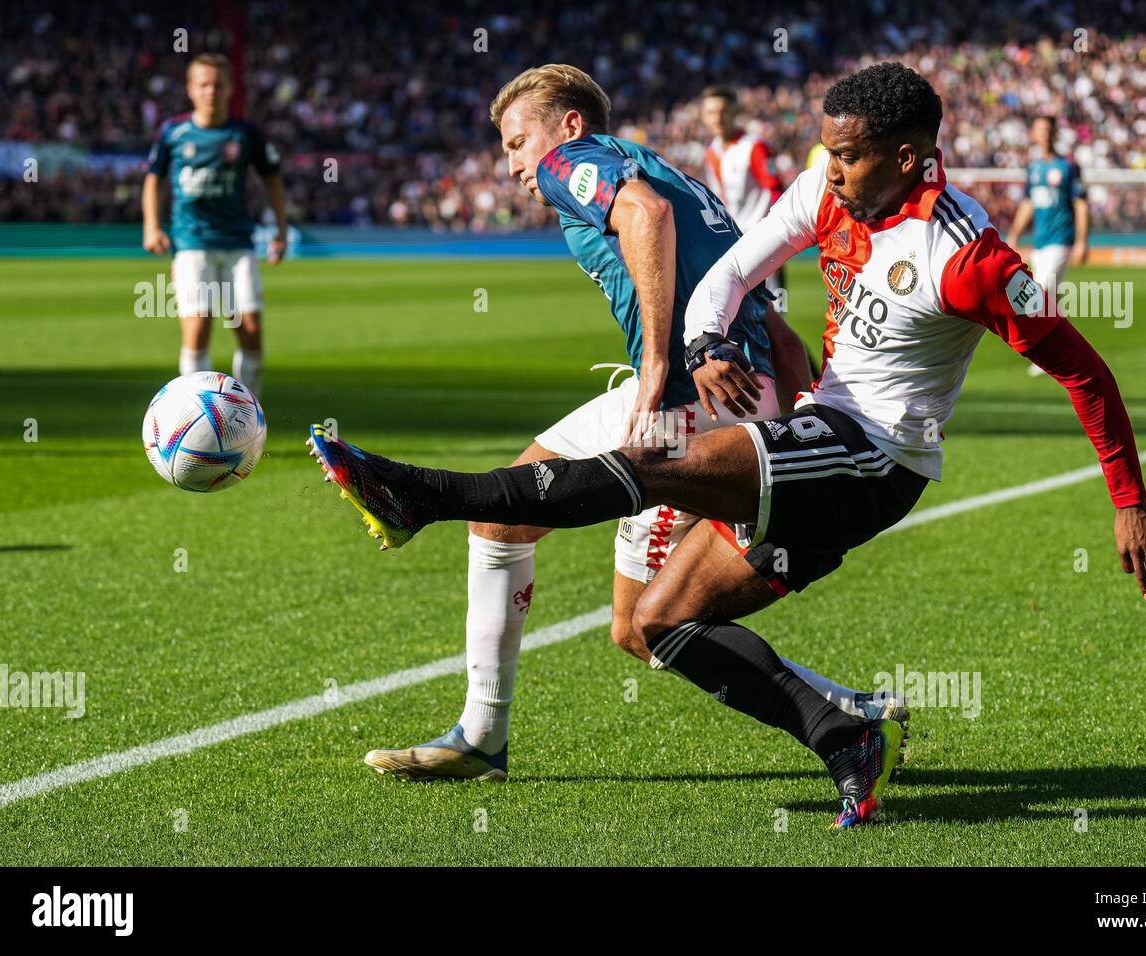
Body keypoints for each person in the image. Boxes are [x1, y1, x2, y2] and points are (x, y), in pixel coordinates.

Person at [306, 63, 1146, 829]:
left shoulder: (970, 257)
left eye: (851, 156)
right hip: (813, 430)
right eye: (826, 151)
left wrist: (1129, 501)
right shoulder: (826, 192)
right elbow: (732, 276)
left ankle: (424, 494)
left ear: (907, 157)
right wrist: (708, 344)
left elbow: (1087, 373)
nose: (830, 170)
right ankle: (849, 736)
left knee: (648, 468)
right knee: (659, 626)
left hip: (875, 456)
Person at [344, 64, 904, 787]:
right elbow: (781, 335)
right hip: (740, 397)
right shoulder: (686, 182)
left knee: (594, 586)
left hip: (687, 405)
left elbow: (643, 216)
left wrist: (655, 372)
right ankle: (856, 710)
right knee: (636, 626)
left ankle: (481, 730)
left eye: (518, 141)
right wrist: (801, 431)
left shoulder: (574, 164)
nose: (513, 164)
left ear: (570, 126)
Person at [142, 52, 287, 399]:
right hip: (192, 242)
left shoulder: (245, 133)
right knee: (199, 324)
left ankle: (248, 416)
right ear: (191, 89)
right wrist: (152, 225)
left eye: (218, 85)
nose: (211, 91)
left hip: (238, 242)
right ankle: (191, 409)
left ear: (229, 89)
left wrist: (281, 229)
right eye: (204, 84)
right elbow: (154, 179)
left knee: (249, 329)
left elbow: (271, 179)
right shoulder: (173, 132)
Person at [1006, 115, 1089, 376]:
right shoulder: (1033, 168)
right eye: (1039, 129)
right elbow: (1028, 203)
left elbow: (1080, 204)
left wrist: (1082, 240)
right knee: (1049, 298)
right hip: (1039, 243)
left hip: (1061, 239)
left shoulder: (1068, 166)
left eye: (1048, 129)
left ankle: (1045, 356)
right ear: (1033, 133)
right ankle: (1068, 350)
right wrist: (1015, 234)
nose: (1044, 134)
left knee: (1040, 293)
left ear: (1054, 133)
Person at [700, 85, 786, 297]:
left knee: (771, 311)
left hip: (763, 241)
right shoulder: (712, 151)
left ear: (735, 112)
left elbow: (776, 190)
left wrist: (777, 239)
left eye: (724, 111)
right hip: (733, 243)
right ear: (703, 116)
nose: (718, 119)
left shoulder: (754, 147)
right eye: (711, 113)